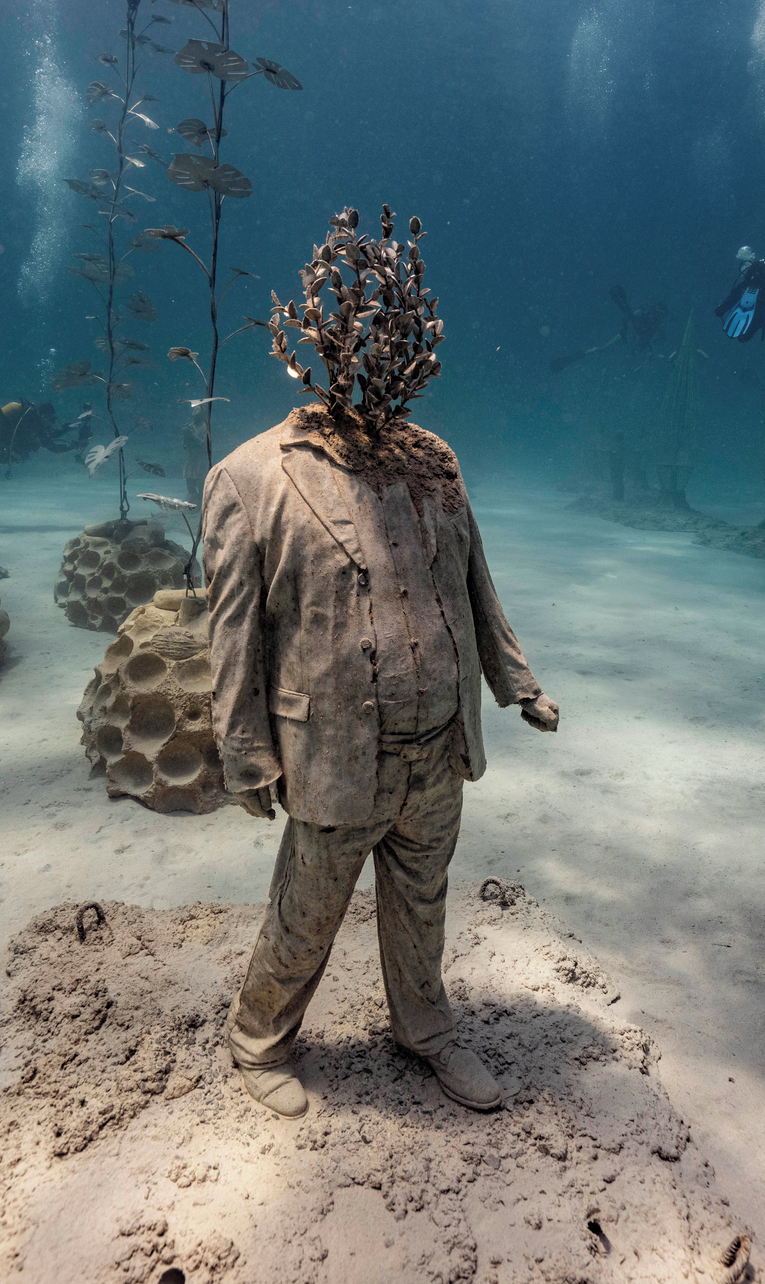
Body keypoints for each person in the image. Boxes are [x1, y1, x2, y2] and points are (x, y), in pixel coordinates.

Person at [205, 205, 559, 1120]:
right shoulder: (251, 478)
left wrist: (514, 680)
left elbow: (477, 582)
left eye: (398, 339)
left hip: (438, 749)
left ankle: (425, 1026)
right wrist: (245, 754)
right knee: (307, 911)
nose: (378, 358)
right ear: (323, 341)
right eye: (364, 339)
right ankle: (260, 1039)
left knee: (422, 902)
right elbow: (234, 635)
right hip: (334, 755)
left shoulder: (433, 461)